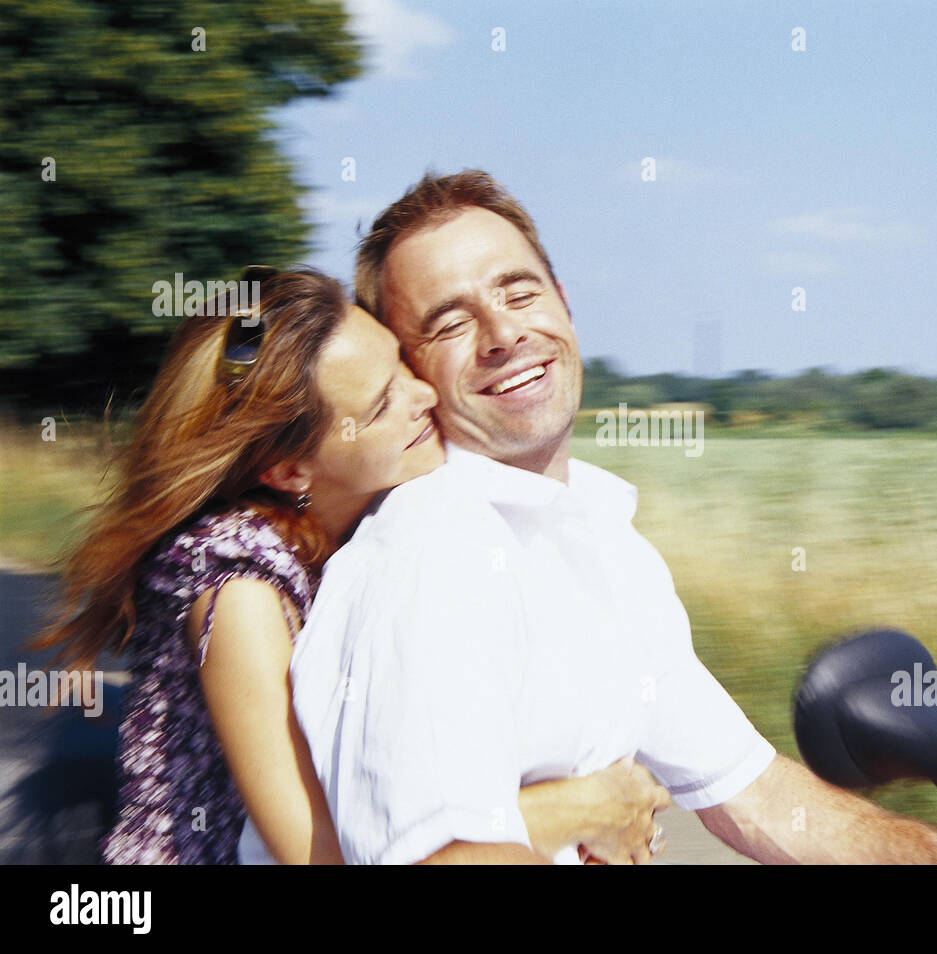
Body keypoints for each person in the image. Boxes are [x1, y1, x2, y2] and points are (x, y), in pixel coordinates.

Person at [287, 170, 937, 864]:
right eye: (450, 323)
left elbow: (758, 799)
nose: (503, 335)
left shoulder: (598, 542)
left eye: (519, 291)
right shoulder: (434, 550)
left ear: (564, 304)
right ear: (411, 369)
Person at [30, 267, 671, 864]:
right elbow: (320, 853)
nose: (424, 395)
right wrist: (577, 808)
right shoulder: (241, 597)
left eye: (401, 364)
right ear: (289, 471)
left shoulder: (361, 531)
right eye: (381, 404)